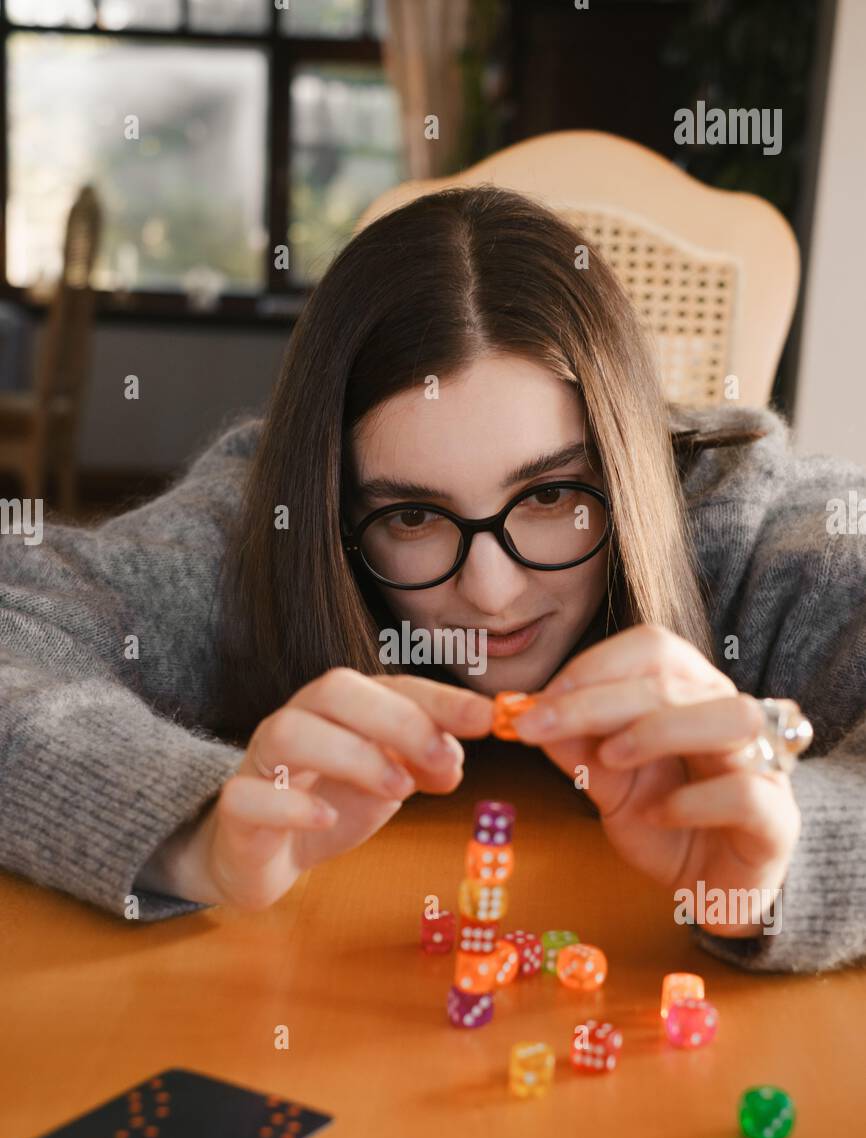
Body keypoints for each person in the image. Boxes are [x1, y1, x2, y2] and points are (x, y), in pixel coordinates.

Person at [0, 187, 863, 974]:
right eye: (411, 518)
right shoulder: (266, 520)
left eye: (553, 494)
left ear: (629, 466)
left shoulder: (761, 518)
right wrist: (194, 830)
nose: (491, 591)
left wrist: (794, 854)